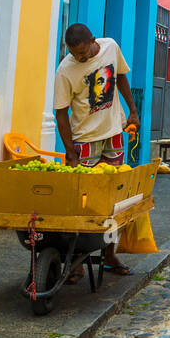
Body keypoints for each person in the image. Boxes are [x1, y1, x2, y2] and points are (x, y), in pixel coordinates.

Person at [53, 23, 140, 276]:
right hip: (85, 140)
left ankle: (110, 254)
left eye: (82, 53)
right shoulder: (65, 70)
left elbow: (121, 77)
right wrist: (70, 151)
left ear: (92, 41)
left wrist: (132, 111)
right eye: (74, 54)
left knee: (115, 199)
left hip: (113, 134)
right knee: (82, 203)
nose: (78, 58)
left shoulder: (110, 46)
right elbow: (60, 113)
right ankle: (76, 261)